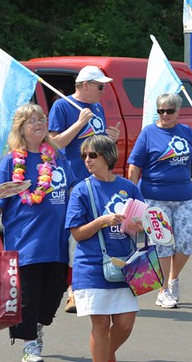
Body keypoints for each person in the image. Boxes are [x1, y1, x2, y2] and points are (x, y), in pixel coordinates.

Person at [0, 104, 76, 362]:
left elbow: (74, 192)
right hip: (26, 242)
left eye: (42, 119)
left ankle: (37, 328)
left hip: (58, 241)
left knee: (52, 295)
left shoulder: (57, 158)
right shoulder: (10, 162)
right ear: (22, 128)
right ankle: (29, 345)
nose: (39, 123)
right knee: (27, 297)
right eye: (32, 120)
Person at [127, 93, 192, 309]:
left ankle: (173, 279)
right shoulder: (148, 134)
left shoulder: (185, 132)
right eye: (161, 110)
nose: (164, 114)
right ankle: (163, 291)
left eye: (169, 111)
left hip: (185, 197)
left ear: (177, 112)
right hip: (155, 197)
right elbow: (135, 166)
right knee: (163, 243)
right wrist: (132, 195)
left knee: (188, 240)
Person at [65, 135, 144, 362]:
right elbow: (77, 234)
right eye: (84, 156)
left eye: (92, 155)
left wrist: (140, 224)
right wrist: (101, 221)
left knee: (125, 323)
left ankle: (105, 354)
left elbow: (144, 223)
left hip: (126, 265)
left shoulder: (128, 187)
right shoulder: (81, 190)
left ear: (107, 156)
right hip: (91, 266)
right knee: (100, 324)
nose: (87, 160)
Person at [48, 65, 120, 313]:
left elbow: (96, 146)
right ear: (86, 85)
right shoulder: (63, 106)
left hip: (97, 180)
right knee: (75, 237)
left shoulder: (97, 108)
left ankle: (91, 285)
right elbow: (54, 143)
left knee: (96, 233)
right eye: (100, 86)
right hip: (74, 181)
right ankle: (73, 290)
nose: (104, 91)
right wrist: (79, 124)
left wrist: (111, 139)